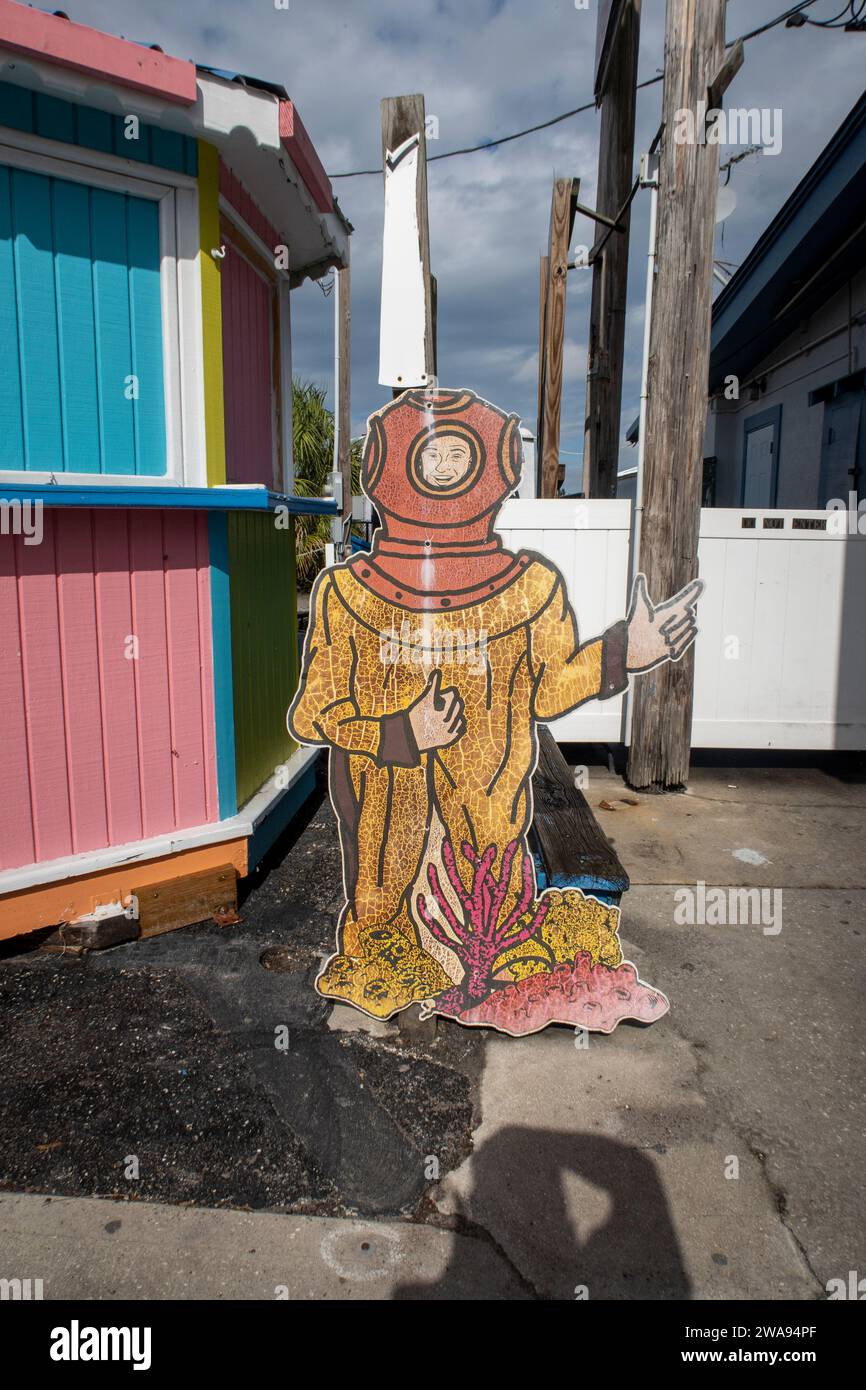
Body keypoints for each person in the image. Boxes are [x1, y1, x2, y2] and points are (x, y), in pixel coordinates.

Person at [288, 388, 701, 1035]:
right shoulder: (350, 595)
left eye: (461, 452)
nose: (448, 467)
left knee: (491, 932)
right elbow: (316, 711)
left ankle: (480, 974)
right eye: (434, 453)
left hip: (487, 841)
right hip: (385, 852)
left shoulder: (528, 587)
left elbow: (550, 686)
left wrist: (622, 653)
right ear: (398, 468)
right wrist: (398, 733)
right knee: (391, 930)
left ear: (490, 467)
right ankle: (401, 954)